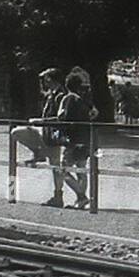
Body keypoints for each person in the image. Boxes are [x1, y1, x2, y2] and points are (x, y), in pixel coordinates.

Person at [54, 71, 93, 209]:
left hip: (72, 139)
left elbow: (62, 116)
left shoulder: (68, 98)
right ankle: (80, 200)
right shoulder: (84, 100)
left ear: (67, 85)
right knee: (81, 169)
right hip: (86, 139)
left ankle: (81, 195)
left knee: (62, 169)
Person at [11, 68, 64, 167]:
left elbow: (60, 118)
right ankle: (39, 153)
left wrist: (41, 121)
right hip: (44, 131)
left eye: (44, 79)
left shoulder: (60, 95)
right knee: (17, 132)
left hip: (53, 135)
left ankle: (78, 183)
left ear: (49, 79)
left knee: (57, 169)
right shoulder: (50, 94)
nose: (42, 83)